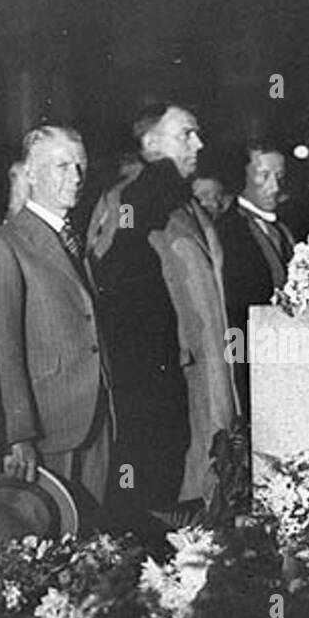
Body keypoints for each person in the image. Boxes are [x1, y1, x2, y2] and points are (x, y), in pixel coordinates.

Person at [88, 103, 236, 515]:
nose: (199, 143)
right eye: (185, 134)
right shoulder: (134, 199)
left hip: (202, 374)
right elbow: (115, 279)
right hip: (167, 388)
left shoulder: (182, 203)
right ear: (150, 143)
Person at [0, 126, 113, 516]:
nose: (74, 177)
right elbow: (5, 346)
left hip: (97, 415)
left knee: (96, 540)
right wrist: (19, 434)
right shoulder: (6, 243)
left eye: (79, 166)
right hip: (50, 424)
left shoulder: (75, 238)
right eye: (60, 166)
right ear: (31, 173)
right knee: (54, 542)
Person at [216, 140, 294, 418]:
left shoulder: (284, 228)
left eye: (280, 177)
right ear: (243, 178)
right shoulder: (226, 230)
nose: (275, 187)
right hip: (248, 352)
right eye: (264, 176)